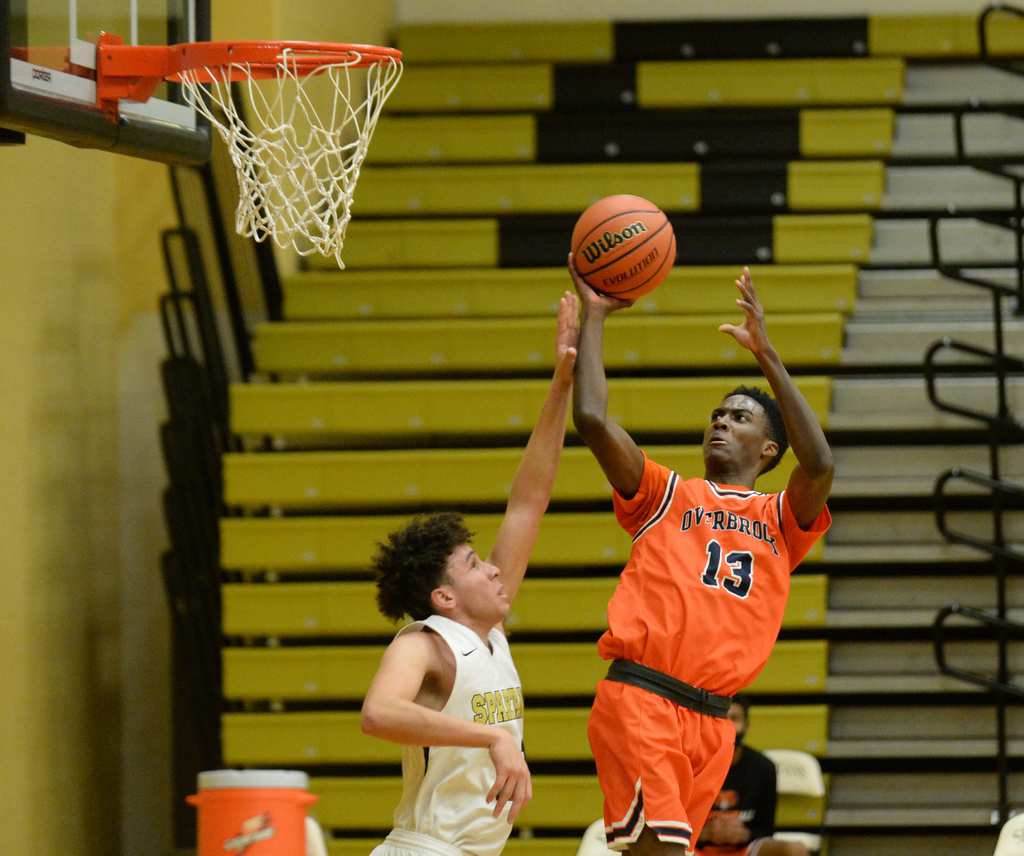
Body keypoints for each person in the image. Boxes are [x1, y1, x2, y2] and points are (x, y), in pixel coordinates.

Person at [568, 261, 833, 856]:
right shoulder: (664, 494)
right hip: (644, 697)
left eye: (739, 416)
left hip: (713, 722)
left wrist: (767, 354)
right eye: (718, 413)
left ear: (768, 448)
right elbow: (590, 419)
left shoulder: (780, 519)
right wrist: (595, 316)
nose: (721, 419)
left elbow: (819, 464)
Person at [359, 291, 579, 856]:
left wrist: (563, 379)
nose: (494, 571)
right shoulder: (426, 644)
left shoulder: (489, 636)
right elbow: (379, 714)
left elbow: (529, 500)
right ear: (445, 596)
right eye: (475, 566)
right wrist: (493, 737)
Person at [695, 699, 809, 856]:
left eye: (735, 719)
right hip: (696, 847)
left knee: (796, 850)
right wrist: (705, 834)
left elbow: (766, 830)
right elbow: (674, 825)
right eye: (722, 718)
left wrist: (744, 835)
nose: (729, 725)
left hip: (745, 848)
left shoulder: (763, 768)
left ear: (747, 725)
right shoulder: (692, 763)